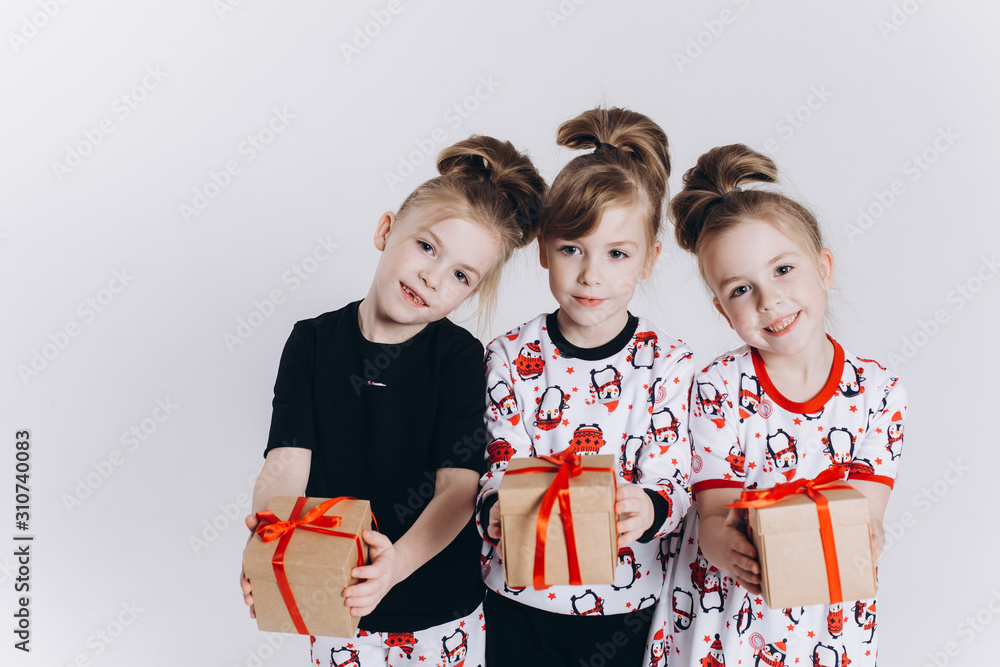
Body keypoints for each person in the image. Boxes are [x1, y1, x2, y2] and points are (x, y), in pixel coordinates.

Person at [239, 135, 547, 666]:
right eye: (426, 247)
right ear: (386, 231)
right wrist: (269, 547)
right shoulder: (312, 342)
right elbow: (286, 462)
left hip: (440, 609)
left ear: (470, 293)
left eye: (460, 275)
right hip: (334, 598)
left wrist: (394, 566)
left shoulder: (457, 357)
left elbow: (458, 488)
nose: (432, 277)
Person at [657, 143, 906, 666]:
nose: (768, 300)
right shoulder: (718, 388)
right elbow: (713, 516)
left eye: (783, 270)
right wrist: (731, 547)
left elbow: (865, 510)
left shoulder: (878, 393)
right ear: (724, 313)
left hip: (827, 619)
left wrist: (868, 533)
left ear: (824, 268)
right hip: (727, 618)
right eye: (741, 289)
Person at [476, 107, 694, 666]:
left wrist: (649, 506)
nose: (591, 275)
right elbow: (498, 462)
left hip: (625, 603)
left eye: (617, 253)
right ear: (544, 247)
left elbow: (673, 474)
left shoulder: (667, 363)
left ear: (648, 259)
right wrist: (496, 506)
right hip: (519, 595)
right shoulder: (509, 354)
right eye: (572, 248)